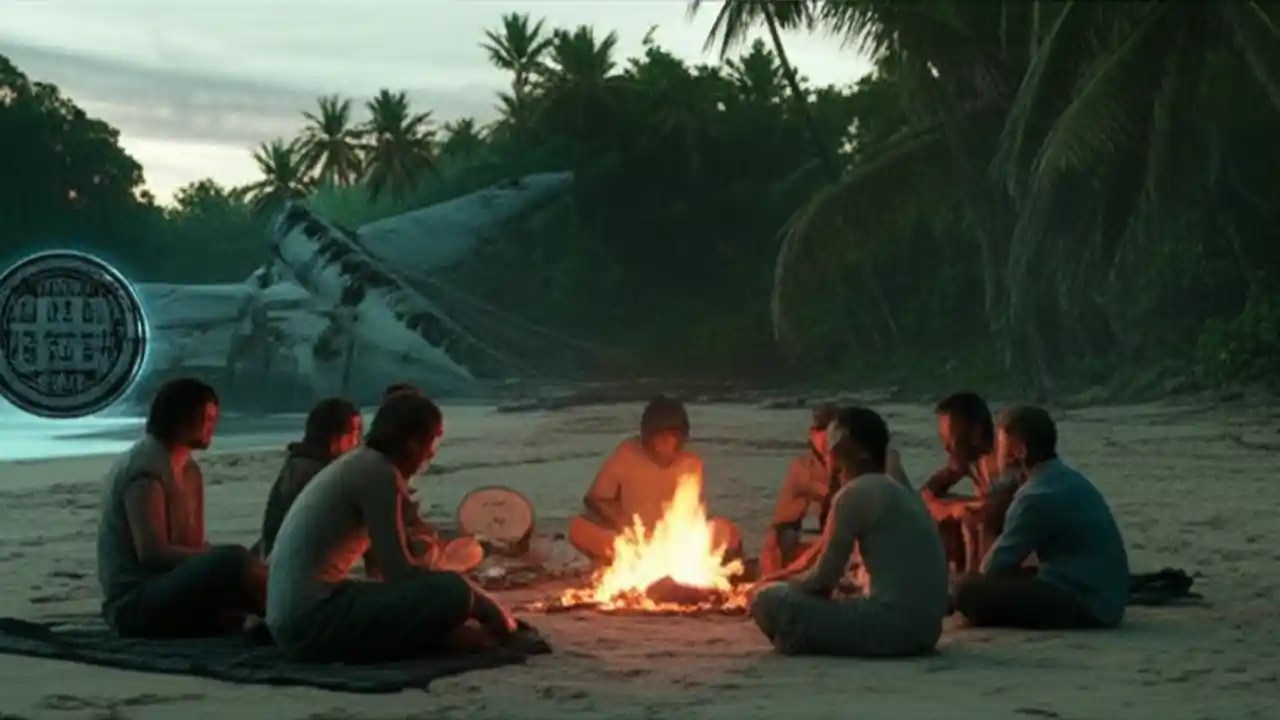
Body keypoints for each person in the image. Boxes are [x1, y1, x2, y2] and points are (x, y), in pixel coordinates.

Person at [266, 392, 519, 662]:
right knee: (454, 592)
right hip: (309, 625)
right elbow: (398, 572)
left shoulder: (360, 463)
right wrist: (480, 602)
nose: (430, 455)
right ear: (412, 442)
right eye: (432, 441)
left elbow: (381, 567)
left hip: (289, 620)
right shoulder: (379, 474)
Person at [749, 407, 948, 657]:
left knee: (766, 599)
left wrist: (776, 583)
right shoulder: (899, 490)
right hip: (926, 631)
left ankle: (802, 639)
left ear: (859, 450)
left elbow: (821, 580)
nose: (828, 452)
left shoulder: (855, 493)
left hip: (894, 631)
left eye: (834, 444)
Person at [97, 377, 267, 638]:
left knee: (257, 556)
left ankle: (277, 611)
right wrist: (218, 558)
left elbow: (193, 545)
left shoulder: (189, 470)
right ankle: (287, 618)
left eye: (214, 419)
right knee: (232, 560)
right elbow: (152, 553)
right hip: (135, 602)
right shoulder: (146, 470)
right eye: (207, 419)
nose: (213, 427)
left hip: (171, 587)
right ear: (181, 418)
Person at [954, 406, 1130, 630]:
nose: (995, 455)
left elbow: (992, 569)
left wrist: (983, 526)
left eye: (1000, 446)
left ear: (1019, 450)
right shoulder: (1064, 477)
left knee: (965, 590)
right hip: (1106, 599)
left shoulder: (1034, 496)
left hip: (1085, 603)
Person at [568, 396, 743, 565]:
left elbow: (693, 515)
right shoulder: (627, 454)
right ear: (647, 437)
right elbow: (595, 499)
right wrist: (625, 524)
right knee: (578, 528)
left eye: (672, 437)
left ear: (682, 438)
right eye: (661, 438)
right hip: (632, 544)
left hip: (674, 547)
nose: (666, 446)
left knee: (728, 531)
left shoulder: (691, 463)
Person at [919, 392, 1019, 572]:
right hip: (992, 533)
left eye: (950, 438)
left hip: (1021, 544)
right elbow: (926, 494)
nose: (946, 447)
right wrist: (954, 509)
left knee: (970, 518)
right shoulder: (967, 460)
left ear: (976, 432)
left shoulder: (1006, 456)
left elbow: (997, 510)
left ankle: (974, 581)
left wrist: (959, 509)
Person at [255, 397, 363, 559]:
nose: (356, 443)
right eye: (352, 433)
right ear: (332, 437)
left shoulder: (301, 466)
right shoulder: (317, 474)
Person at [759, 405, 839, 576]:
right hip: (783, 542)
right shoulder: (802, 467)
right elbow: (830, 495)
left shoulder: (838, 465)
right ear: (813, 434)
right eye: (822, 433)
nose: (826, 441)